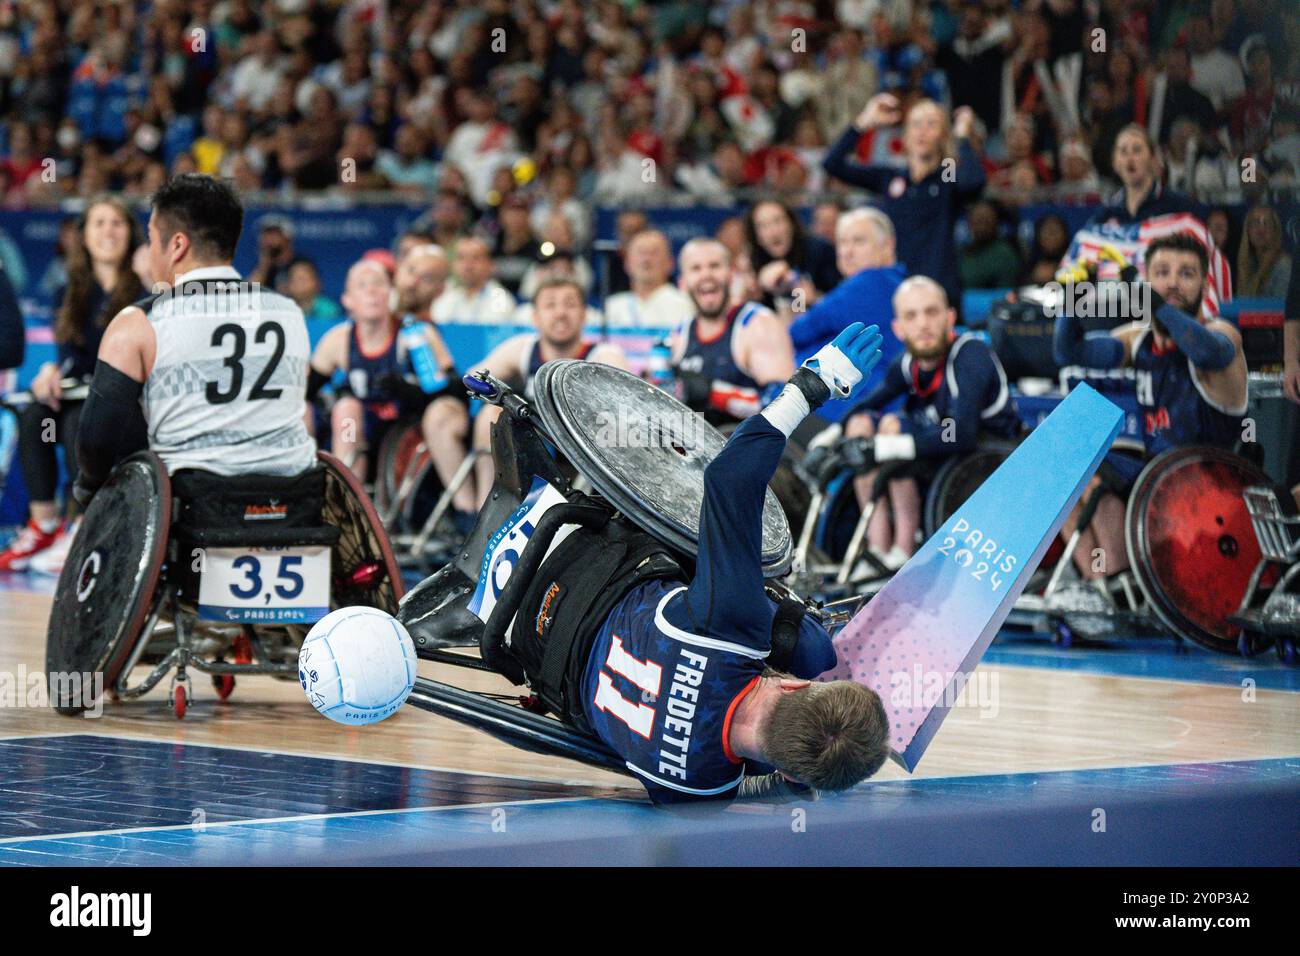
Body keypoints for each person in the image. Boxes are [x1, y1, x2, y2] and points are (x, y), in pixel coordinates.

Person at [496, 323, 890, 804]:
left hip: (571, 555)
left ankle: (815, 618)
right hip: (532, 645)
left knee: (802, 642)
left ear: (793, 690)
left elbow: (729, 479)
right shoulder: (698, 791)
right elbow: (752, 784)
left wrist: (812, 386)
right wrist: (794, 776)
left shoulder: (731, 628)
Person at [72, 174, 316, 516]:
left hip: (195, 506)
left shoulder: (139, 324)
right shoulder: (289, 312)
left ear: (176, 246)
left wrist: (87, 492)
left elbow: (96, 441)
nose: (149, 253)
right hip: (293, 501)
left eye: (153, 240)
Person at [1052, 233, 1249, 579]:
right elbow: (1068, 353)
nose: (1172, 282)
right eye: (1161, 272)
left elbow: (1205, 351)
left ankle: (1117, 579)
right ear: (1148, 277)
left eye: (1186, 274)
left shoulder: (1222, 333)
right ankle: (1100, 585)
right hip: (1156, 477)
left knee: (1099, 479)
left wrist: (1149, 298)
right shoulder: (1138, 339)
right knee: (1066, 464)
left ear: (1204, 286)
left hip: (1209, 483)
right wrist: (1073, 301)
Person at [0, 196, 144, 573]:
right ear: (83, 236)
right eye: (99, 223)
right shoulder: (69, 290)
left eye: (117, 223)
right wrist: (50, 371)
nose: (108, 232)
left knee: (75, 421)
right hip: (82, 389)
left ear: (131, 234)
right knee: (35, 416)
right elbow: (71, 358)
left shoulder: (145, 288)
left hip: (129, 400)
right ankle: (44, 524)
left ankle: (83, 524)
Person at [839, 276, 1020, 570]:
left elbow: (962, 435)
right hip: (943, 456)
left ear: (950, 317)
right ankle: (877, 549)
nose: (923, 324)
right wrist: (834, 438)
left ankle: (903, 549)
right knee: (863, 425)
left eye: (931, 312)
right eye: (912, 316)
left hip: (988, 464)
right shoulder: (907, 363)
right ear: (898, 328)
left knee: (891, 434)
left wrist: (884, 447)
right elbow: (870, 402)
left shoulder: (970, 355)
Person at [467, 276, 627, 508]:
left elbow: (627, 400)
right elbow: (473, 377)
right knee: (488, 418)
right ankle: (485, 509)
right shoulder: (523, 347)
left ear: (584, 315)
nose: (560, 312)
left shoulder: (603, 355)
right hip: (531, 433)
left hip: (577, 445)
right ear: (535, 316)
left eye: (570, 304)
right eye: (550, 305)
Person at [823, 94, 985, 311]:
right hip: (895, 290)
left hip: (939, 291)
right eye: (916, 124)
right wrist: (865, 121)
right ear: (905, 135)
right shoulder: (890, 177)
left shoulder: (946, 177)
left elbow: (973, 183)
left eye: (932, 124)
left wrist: (962, 136)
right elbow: (833, 164)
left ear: (943, 135)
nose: (922, 131)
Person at [308, 258, 453, 482]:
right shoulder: (338, 340)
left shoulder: (415, 335)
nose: (371, 291)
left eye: (378, 283)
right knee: (345, 409)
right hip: (355, 430)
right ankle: (346, 498)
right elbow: (304, 391)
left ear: (390, 293)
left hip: (404, 429)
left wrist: (406, 389)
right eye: (362, 285)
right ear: (347, 299)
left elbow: (447, 390)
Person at [786, 208, 905, 424]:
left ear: (887, 245)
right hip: (858, 404)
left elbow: (794, 333)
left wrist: (796, 292)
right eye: (842, 242)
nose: (847, 251)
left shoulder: (868, 281)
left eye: (858, 241)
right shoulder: (894, 282)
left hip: (850, 410)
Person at [669, 238, 795, 427]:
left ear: (731, 274)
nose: (706, 275)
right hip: (692, 449)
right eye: (696, 268)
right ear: (682, 283)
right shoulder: (679, 334)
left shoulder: (757, 323)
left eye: (715, 266)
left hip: (746, 448)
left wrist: (716, 394)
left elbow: (787, 405)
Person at [744, 199, 840, 317]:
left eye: (778, 221)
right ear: (756, 236)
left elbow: (843, 301)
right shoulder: (754, 263)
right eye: (763, 226)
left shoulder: (819, 251)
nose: (773, 232)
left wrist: (815, 299)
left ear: (791, 224)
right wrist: (752, 298)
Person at [602, 229, 693, 330]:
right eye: (641, 252)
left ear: (670, 263)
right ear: (627, 263)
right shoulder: (611, 307)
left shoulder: (687, 305)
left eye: (653, 253)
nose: (646, 259)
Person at [431, 236, 516, 325]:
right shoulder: (442, 293)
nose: (468, 265)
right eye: (461, 258)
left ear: (490, 265)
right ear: (452, 264)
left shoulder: (499, 297)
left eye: (475, 258)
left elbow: (498, 333)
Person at [1236, 205, 1292, 299]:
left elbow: (1278, 309)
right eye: (1255, 223)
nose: (1260, 230)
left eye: (1267, 223)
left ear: (1275, 231)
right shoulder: (1248, 263)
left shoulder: (1284, 265)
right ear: (1247, 231)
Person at [285, 257, 342, 347]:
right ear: (287, 285)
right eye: (296, 278)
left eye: (305, 278)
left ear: (318, 282)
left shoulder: (329, 309)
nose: (301, 283)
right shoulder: (283, 309)